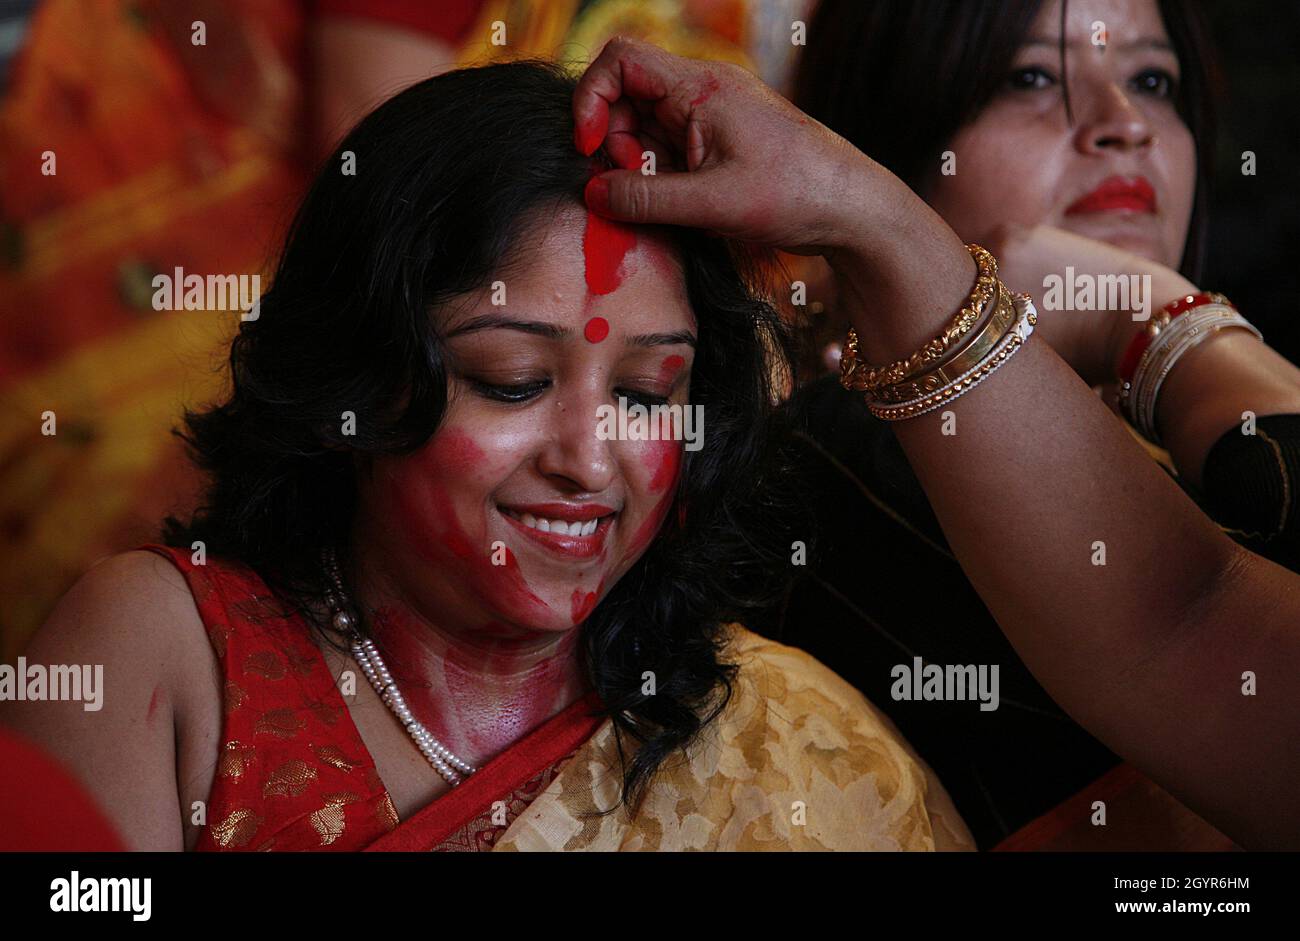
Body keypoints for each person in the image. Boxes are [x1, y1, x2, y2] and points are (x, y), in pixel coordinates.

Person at [0, 59, 971, 852]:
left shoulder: (787, 742)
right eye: (512, 379)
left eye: (645, 394)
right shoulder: (164, 654)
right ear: (360, 381)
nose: (590, 460)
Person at [568, 33, 1299, 850]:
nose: (1122, 123)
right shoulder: (849, 466)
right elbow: (1192, 615)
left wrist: (1153, 319)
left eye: (1153, 79)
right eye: (1028, 78)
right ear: (887, 147)